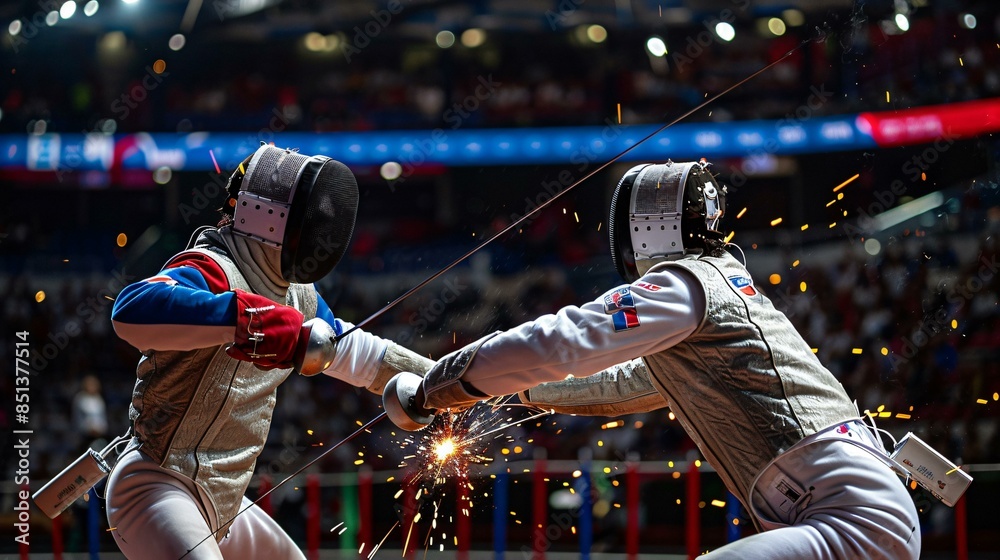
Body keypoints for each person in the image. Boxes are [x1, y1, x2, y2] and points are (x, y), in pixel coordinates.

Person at [385, 160, 921, 559]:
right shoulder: (709, 301)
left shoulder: (683, 285)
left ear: (648, 226)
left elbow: (565, 339)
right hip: (848, 509)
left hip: (851, 517)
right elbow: (620, 384)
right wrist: (513, 388)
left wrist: (441, 386)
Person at [106, 145, 434, 559]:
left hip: (222, 503)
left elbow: (362, 355)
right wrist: (257, 323)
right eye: (310, 218)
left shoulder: (299, 298)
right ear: (269, 214)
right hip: (156, 487)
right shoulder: (210, 267)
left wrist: (457, 380)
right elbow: (132, 308)